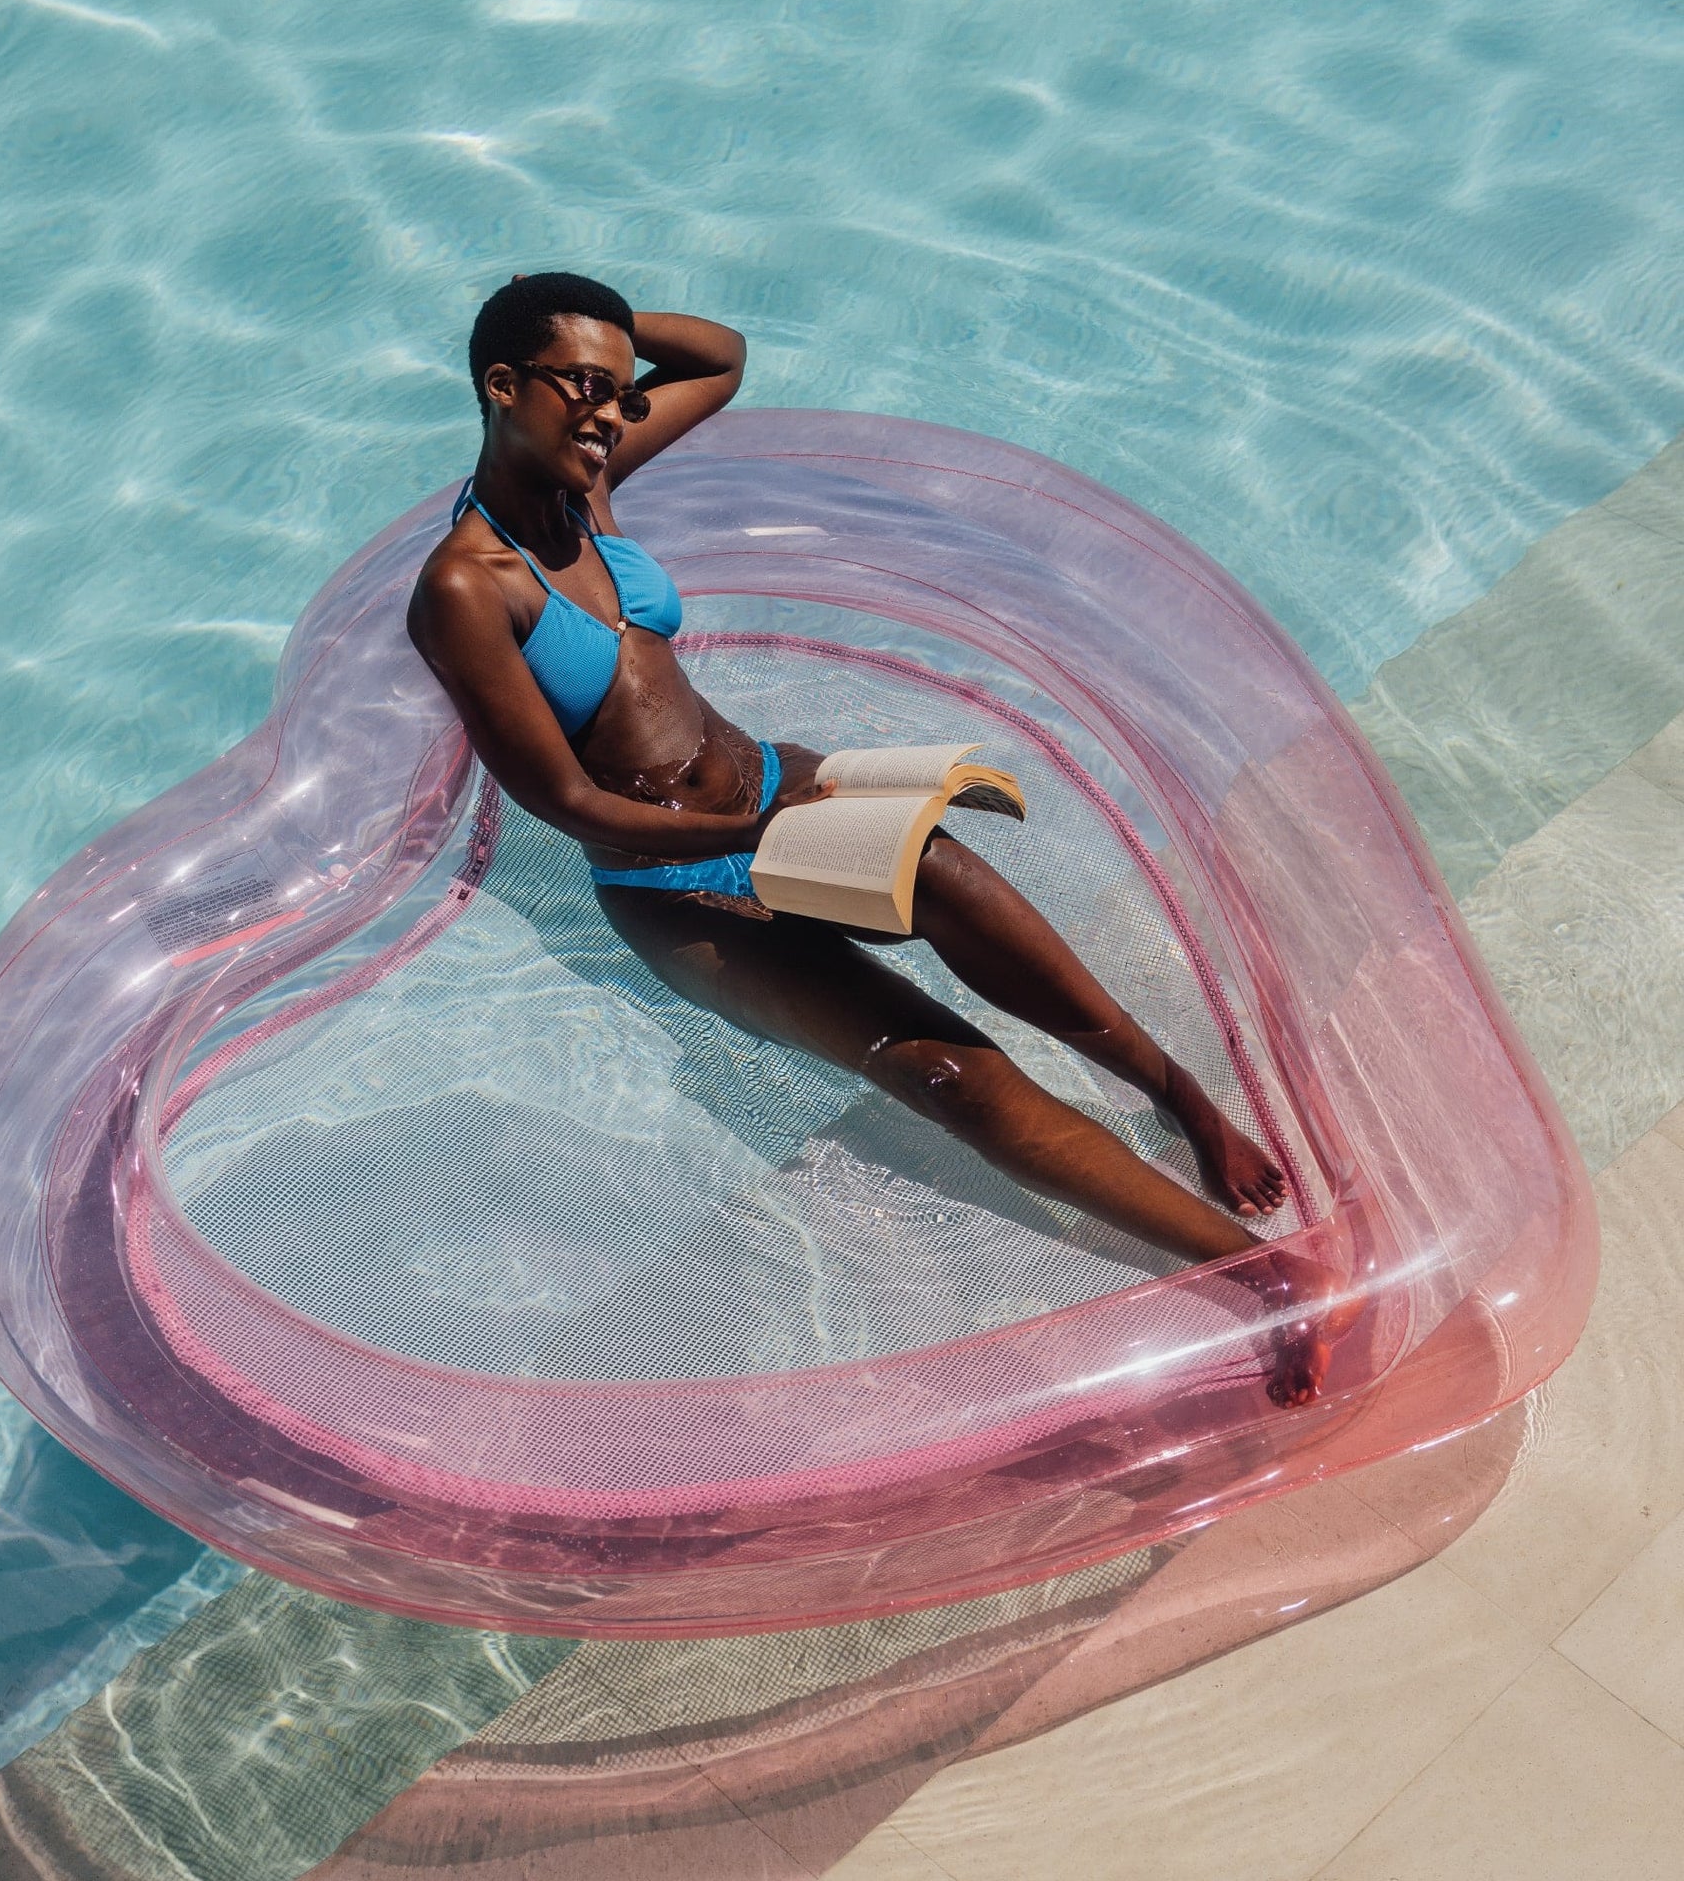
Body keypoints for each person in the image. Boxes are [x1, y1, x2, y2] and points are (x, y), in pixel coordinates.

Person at [408, 272, 1349, 1404]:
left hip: (765, 780)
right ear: (502, 386)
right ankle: (1259, 1274)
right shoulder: (467, 587)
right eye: (583, 390)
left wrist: (588, 312)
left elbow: (720, 356)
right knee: (946, 1074)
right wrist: (754, 830)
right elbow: (564, 803)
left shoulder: (592, 489)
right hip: (673, 881)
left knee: (956, 880)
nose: (610, 417)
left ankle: (1179, 1096)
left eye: (619, 393)